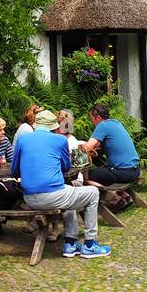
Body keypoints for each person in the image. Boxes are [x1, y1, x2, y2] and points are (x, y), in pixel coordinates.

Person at [12, 109, 111, 259]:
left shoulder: (23, 139)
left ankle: (71, 244)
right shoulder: (60, 140)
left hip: (29, 198)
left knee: (68, 192)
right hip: (52, 195)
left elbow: (14, 169)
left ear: (36, 125)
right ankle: (90, 245)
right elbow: (66, 167)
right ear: (54, 126)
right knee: (93, 193)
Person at [80, 102, 141, 187]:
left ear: (98, 117)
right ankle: (123, 194)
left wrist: (80, 146)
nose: (92, 123)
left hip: (123, 172)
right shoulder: (116, 123)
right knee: (101, 168)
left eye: (92, 119)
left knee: (84, 176)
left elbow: (87, 147)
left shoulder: (102, 125)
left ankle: (112, 196)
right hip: (135, 170)